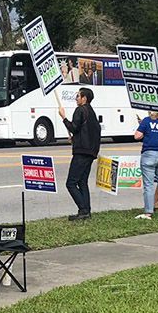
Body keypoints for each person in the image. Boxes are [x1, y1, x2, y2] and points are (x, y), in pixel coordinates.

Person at [58, 87, 101, 221]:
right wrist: (75, 138)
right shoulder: (91, 112)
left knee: (71, 183)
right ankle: (86, 210)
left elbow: (74, 127)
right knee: (82, 182)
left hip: (82, 152)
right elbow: (86, 131)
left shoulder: (80, 110)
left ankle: (83, 209)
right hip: (90, 151)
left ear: (84, 98)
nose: (76, 98)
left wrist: (63, 117)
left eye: (78, 96)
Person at [133, 111, 158, 220]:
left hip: (149, 154)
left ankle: (148, 213)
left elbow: (137, 136)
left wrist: (143, 127)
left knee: (149, 185)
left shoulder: (147, 121)